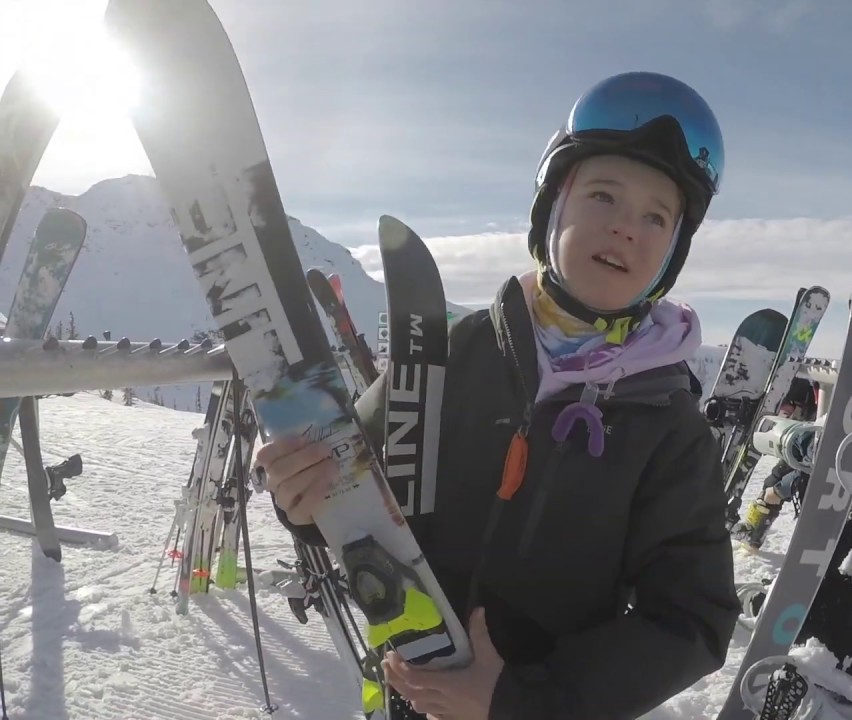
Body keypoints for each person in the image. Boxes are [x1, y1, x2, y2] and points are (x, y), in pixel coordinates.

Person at [257, 71, 738, 720]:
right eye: (604, 196)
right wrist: (303, 494)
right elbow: (351, 480)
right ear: (554, 207)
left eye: (657, 216)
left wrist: (519, 701)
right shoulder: (454, 354)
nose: (628, 227)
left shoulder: (671, 429)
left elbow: (691, 620)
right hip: (412, 693)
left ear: (673, 250)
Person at [731, 376, 819, 550]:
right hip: (804, 452)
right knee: (770, 484)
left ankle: (754, 540)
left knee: (773, 492)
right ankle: (752, 538)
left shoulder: (823, 402)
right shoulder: (806, 392)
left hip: (818, 462)